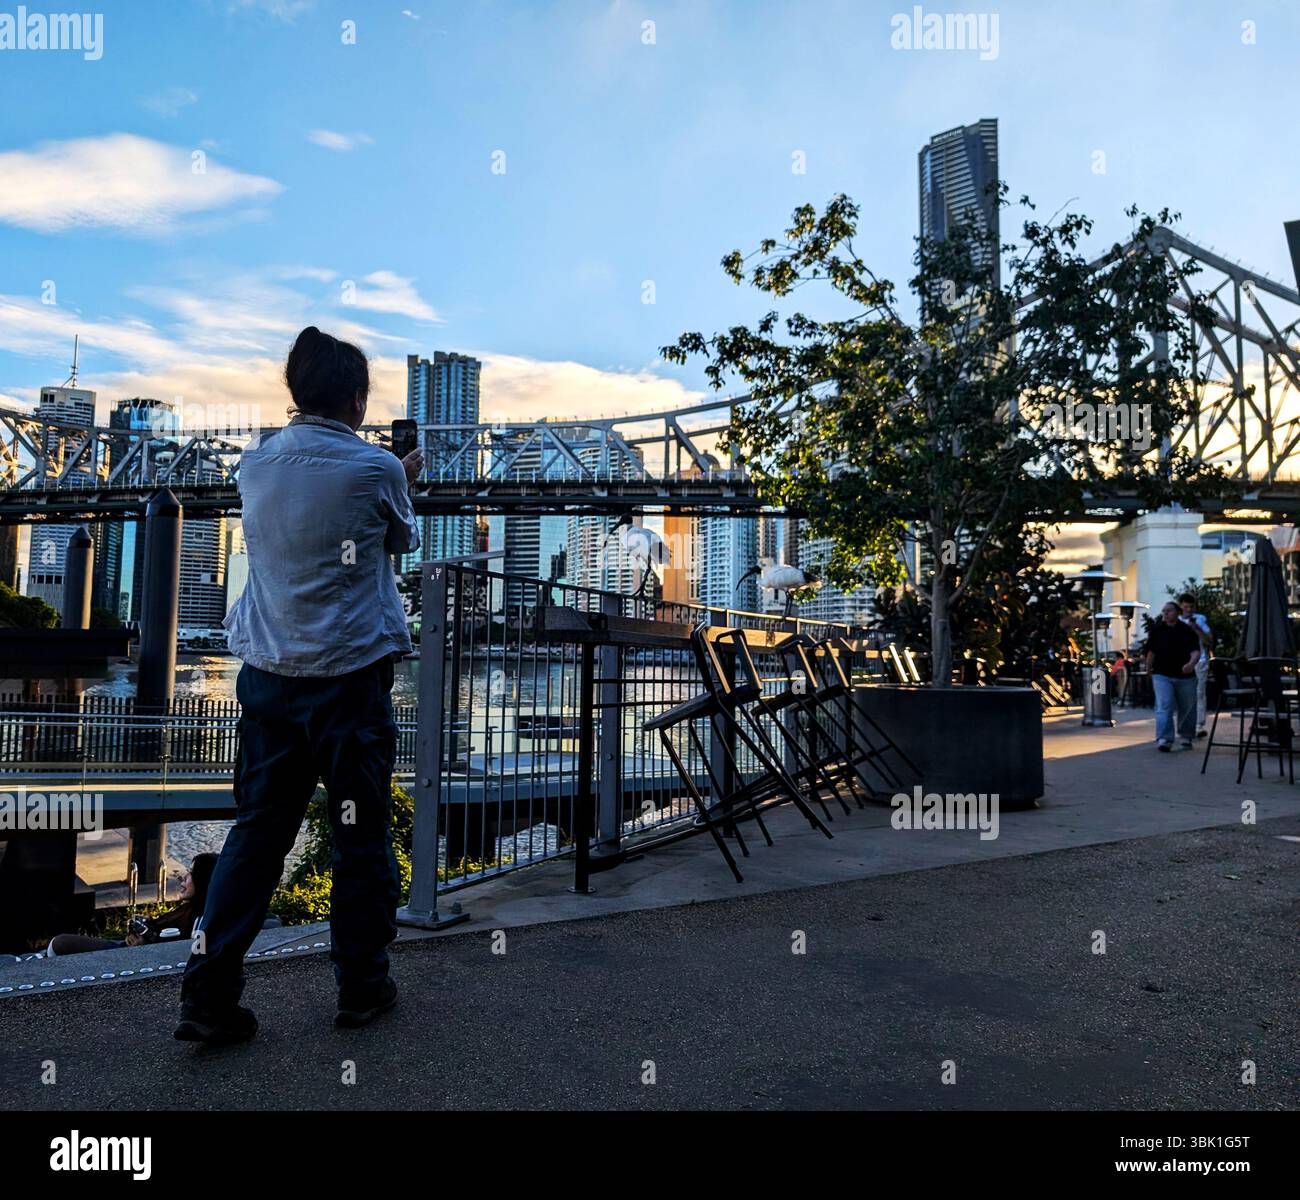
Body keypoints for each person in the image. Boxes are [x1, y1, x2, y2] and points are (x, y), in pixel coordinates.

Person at [176, 326, 422, 1045]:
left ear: (294, 391)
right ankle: (361, 987)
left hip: (269, 679)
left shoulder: (253, 466)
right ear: (357, 398)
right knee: (359, 836)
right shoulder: (378, 469)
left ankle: (208, 994)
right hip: (348, 680)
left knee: (256, 837)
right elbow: (401, 540)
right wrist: (406, 475)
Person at [15, 854, 219, 960]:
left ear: (204, 881)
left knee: (62, 943)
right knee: (63, 942)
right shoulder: (193, 909)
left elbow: (185, 955)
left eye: (192, 873)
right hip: (130, 950)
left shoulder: (198, 918)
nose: (184, 876)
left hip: (131, 956)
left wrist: (142, 948)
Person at [1144, 601, 1202, 751]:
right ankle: (1164, 738)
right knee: (1164, 705)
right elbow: (1151, 652)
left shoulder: (1187, 631)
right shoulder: (1157, 630)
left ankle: (1186, 736)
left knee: (1187, 707)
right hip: (1162, 673)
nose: (1165, 614)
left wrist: (1191, 664)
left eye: (1169, 611)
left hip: (1185, 675)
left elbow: (1196, 651)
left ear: (1177, 612)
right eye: (1164, 611)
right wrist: (1148, 668)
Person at [1178, 593, 1214, 737]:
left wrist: (1196, 628)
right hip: (1181, 661)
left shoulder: (1200, 619)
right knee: (1182, 695)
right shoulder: (1176, 620)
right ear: (1180, 606)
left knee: (1199, 693)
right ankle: (1184, 725)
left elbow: (1209, 641)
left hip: (1200, 661)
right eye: (1185, 607)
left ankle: (1199, 725)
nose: (1188, 610)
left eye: (1191, 607)